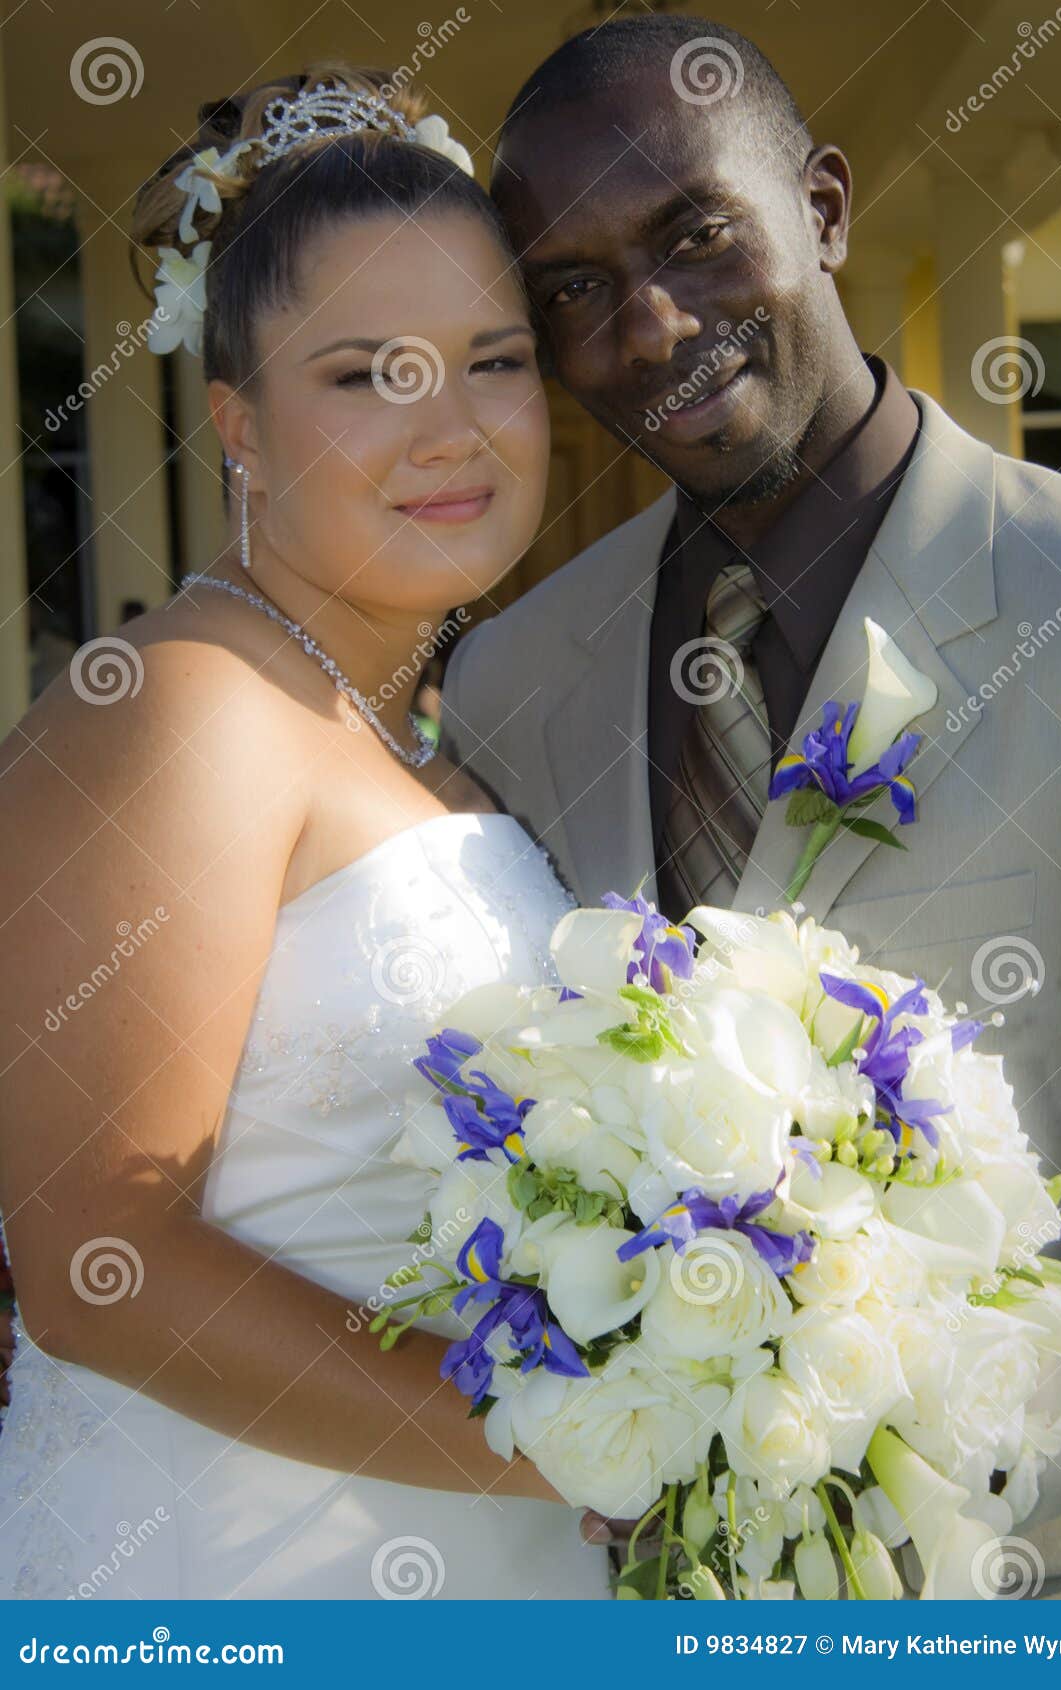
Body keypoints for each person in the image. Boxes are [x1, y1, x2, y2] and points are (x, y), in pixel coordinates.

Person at [440, 16, 1061, 1591]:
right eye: (575, 291)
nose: (655, 326)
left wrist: (887, 1447)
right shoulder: (517, 678)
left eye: (695, 235)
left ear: (822, 207)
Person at [0, 64, 608, 1601]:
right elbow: (91, 1265)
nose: (453, 428)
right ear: (238, 424)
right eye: (364, 375)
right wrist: (583, 1439)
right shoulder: (184, 708)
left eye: (494, 359)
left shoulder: (426, 737)